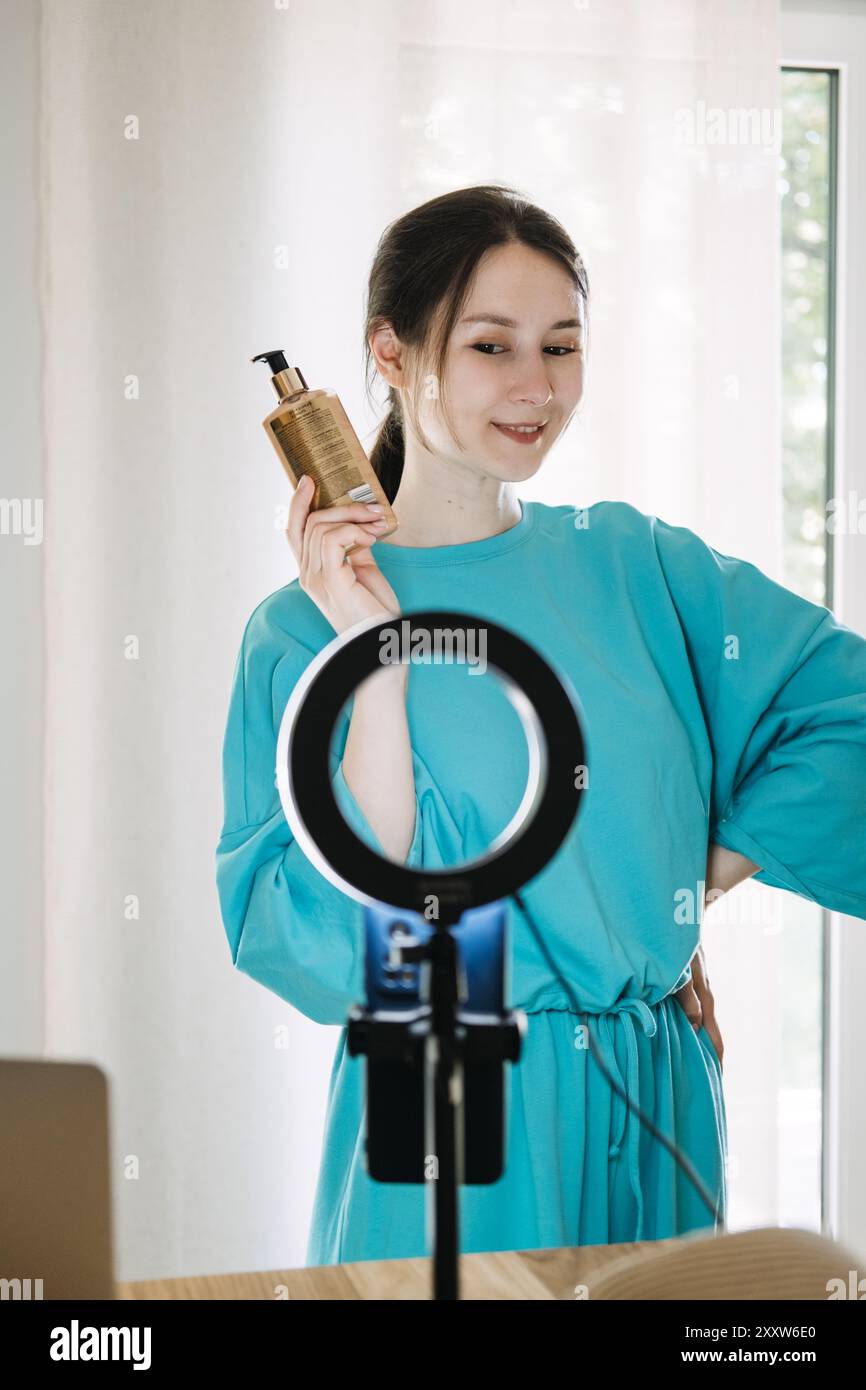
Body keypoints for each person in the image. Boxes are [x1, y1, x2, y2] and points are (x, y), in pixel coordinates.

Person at [215, 184, 866, 1267]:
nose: (534, 387)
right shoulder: (294, 633)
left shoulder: (639, 567)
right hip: (445, 1107)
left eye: (560, 346)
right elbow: (335, 938)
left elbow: (840, 710)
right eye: (489, 346)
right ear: (390, 351)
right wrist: (369, 654)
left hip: (654, 1095)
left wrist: (685, 876)